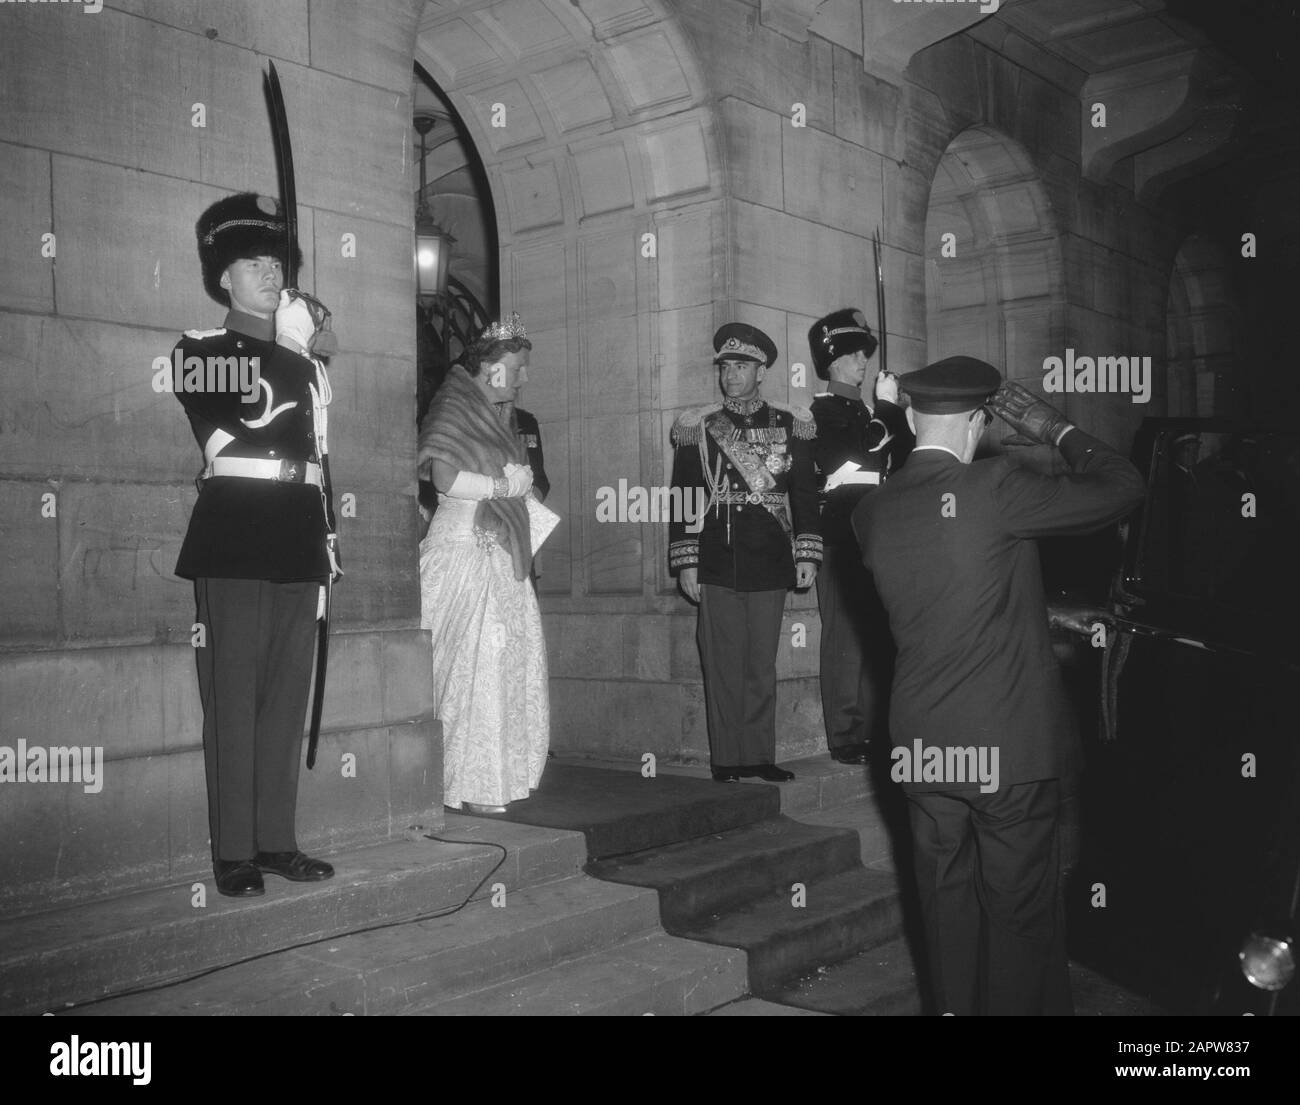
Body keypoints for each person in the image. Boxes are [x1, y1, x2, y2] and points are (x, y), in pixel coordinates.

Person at [853, 359, 1145, 1015]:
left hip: (921, 744)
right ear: (981, 421)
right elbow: (1124, 486)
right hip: (1004, 746)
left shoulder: (871, 513)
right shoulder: (998, 486)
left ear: (909, 416)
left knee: (944, 904)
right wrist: (1055, 428)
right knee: (1019, 915)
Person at [173, 192, 339, 898]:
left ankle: (276, 839)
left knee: (283, 695)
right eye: (254, 262)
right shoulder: (201, 350)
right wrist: (288, 348)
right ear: (223, 279)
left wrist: (329, 539)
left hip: (300, 529)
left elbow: (318, 455)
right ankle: (233, 850)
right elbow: (240, 429)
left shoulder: (305, 363)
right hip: (236, 528)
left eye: (277, 261)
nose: (271, 272)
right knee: (234, 695)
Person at [669, 323, 822, 783]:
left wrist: (808, 552)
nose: (730, 375)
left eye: (741, 366)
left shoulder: (790, 424)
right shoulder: (700, 427)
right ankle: (728, 759)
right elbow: (685, 498)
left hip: (770, 557)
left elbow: (804, 495)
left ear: (761, 371)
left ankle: (757, 755)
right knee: (721, 663)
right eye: (726, 367)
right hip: (717, 556)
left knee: (760, 664)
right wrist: (687, 560)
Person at [417, 314, 550, 814]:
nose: (523, 377)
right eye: (517, 367)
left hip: (498, 548)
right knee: (471, 663)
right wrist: (501, 487)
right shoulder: (454, 404)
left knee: (503, 661)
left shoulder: (504, 417)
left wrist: (522, 487)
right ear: (491, 367)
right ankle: (461, 781)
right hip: (463, 547)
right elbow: (445, 478)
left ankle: (491, 779)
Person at [808, 309, 913, 765]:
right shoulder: (821, 411)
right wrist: (887, 410)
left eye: (864, 354)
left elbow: (904, 458)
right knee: (846, 636)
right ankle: (845, 732)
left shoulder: (871, 413)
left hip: (881, 532)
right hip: (844, 535)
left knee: (875, 633)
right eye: (853, 354)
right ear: (831, 362)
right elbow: (850, 457)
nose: (862, 362)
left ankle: (872, 728)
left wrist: (900, 415)